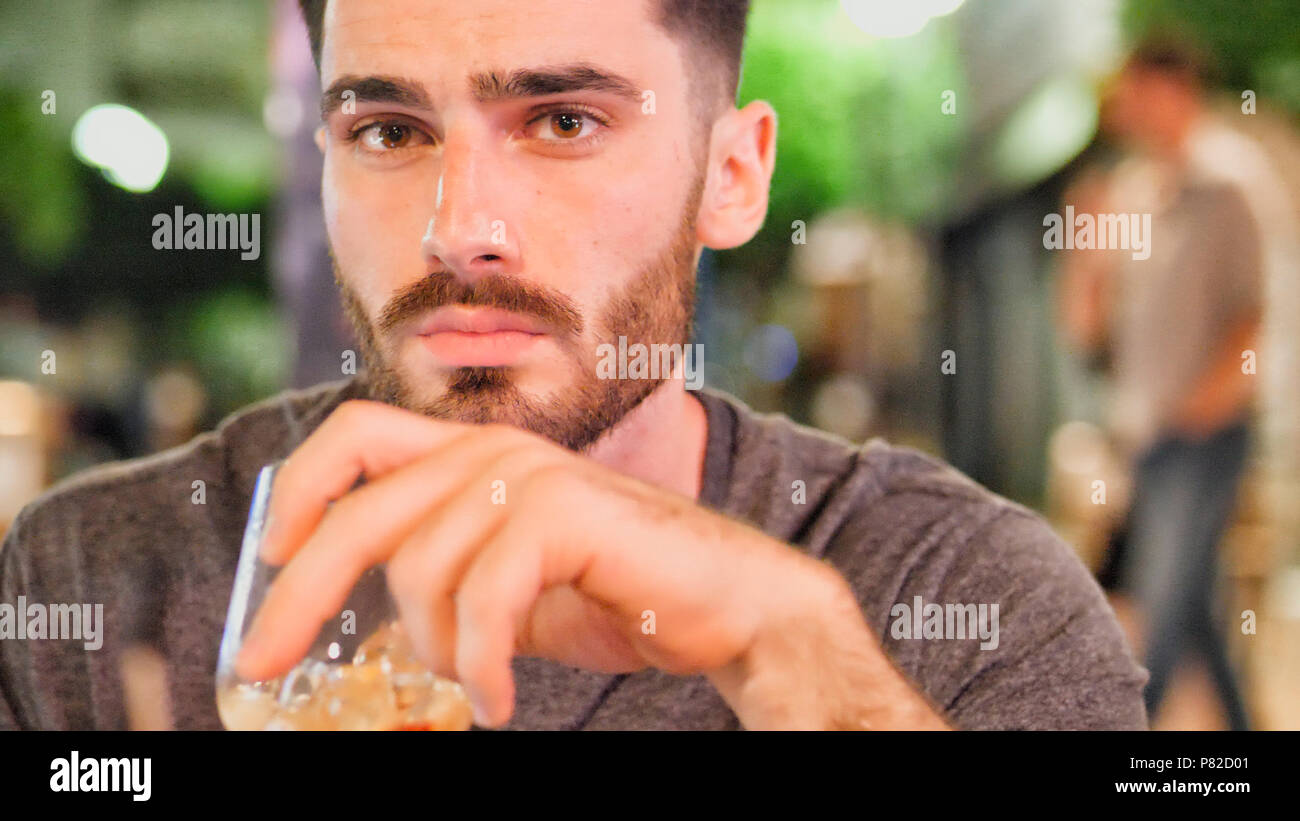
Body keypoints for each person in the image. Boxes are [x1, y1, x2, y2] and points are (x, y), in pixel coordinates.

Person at [0, 0, 1146, 730]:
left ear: (732, 176)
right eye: (390, 132)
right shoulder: (93, 584)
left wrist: (791, 658)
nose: (461, 227)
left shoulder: (953, 599)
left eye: (561, 122)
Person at [1061, 38, 1266, 729]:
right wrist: (1085, 263)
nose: (1127, 106)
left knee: (1161, 601)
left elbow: (1253, 313)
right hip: (1146, 431)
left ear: (1176, 89)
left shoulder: (1229, 182)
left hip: (1203, 432)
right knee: (1193, 603)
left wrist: (1202, 406)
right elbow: (1093, 338)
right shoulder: (1132, 191)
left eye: (1139, 89)